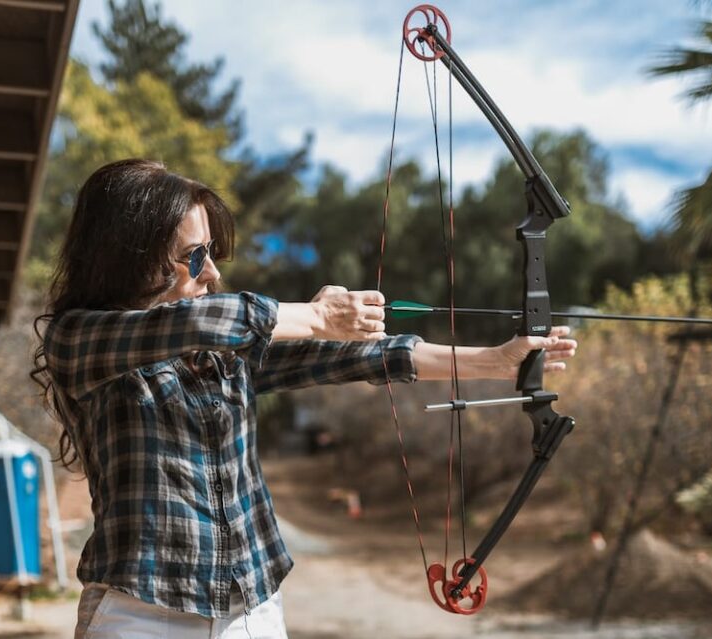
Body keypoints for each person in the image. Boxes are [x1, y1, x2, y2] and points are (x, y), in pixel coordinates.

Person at [32, 158, 577, 638]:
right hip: (140, 616)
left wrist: (498, 360)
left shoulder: (224, 351)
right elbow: (207, 321)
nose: (212, 271)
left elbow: (368, 356)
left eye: (211, 253)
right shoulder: (79, 338)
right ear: (132, 257)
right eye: (194, 256)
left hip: (252, 613)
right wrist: (316, 317)